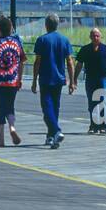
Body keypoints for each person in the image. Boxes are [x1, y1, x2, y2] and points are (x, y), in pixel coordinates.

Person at [31, 13, 74, 147]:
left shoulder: (42, 40)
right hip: (59, 78)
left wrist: (34, 80)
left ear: (46, 25)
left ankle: (56, 131)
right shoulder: (64, 40)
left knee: (47, 108)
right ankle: (51, 137)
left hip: (45, 78)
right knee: (55, 107)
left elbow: (37, 62)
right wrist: (72, 81)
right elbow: (70, 62)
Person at [0, 15, 25, 146]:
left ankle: (1, 139)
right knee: (10, 107)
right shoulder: (17, 42)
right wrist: (19, 78)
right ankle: (12, 127)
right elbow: (21, 62)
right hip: (13, 80)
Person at [75, 27, 106, 135]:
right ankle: (93, 125)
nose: (95, 37)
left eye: (97, 35)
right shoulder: (85, 49)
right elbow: (79, 65)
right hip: (90, 79)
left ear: (101, 37)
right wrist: (74, 79)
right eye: (93, 35)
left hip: (103, 78)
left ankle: (103, 126)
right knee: (92, 103)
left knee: (103, 102)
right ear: (90, 37)